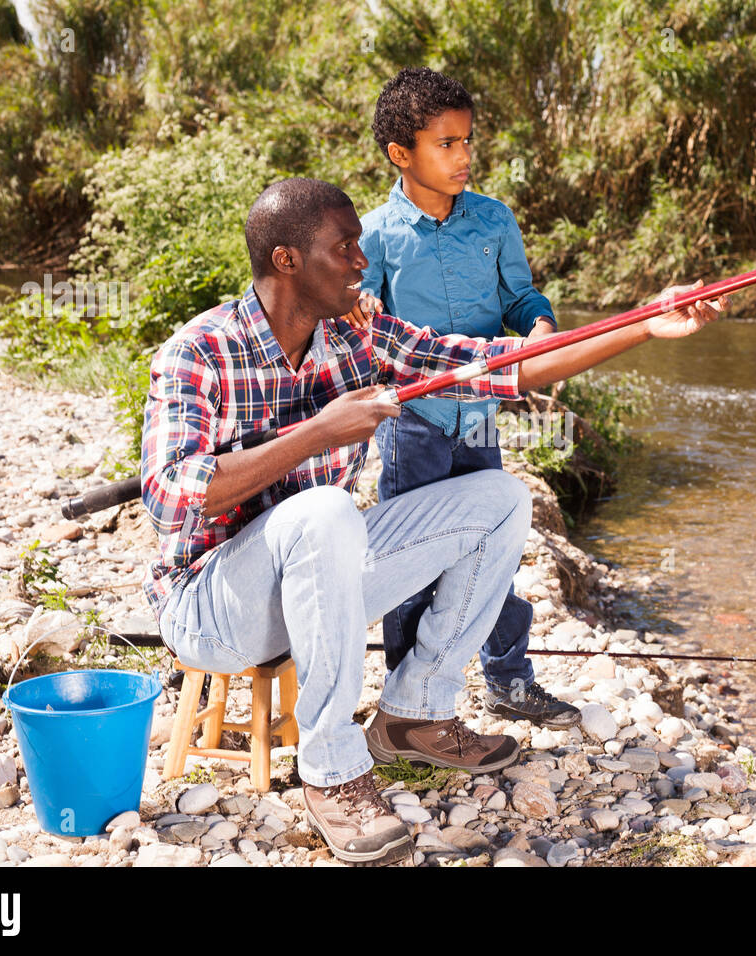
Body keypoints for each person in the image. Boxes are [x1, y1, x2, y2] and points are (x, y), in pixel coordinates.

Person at [141, 176, 726, 865]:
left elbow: (502, 368)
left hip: (320, 587)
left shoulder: (359, 333)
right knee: (327, 509)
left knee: (498, 498)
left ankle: (413, 711)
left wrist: (642, 323)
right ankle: (331, 772)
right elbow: (172, 496)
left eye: (361, 244)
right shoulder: (198, 350)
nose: (363, 261)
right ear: (287, 262)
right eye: (345, 247)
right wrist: (319, 433)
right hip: (211, 610)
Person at [351, 66, 574, 727]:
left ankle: (508, 681)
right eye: (446, 143)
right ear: (401, 154)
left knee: (493, 548)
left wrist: (539, 325)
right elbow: (355, 317)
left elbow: (520, 297)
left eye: (468, 140)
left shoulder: (494, 220)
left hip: (479, 421)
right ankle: (406, 703)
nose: (464, 156)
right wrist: (356, 307)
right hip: (410, 425)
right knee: (412, 560)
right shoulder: (374, 235)